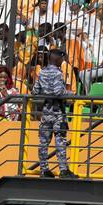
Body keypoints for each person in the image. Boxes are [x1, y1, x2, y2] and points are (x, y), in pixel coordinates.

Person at [33, 49, 77, 178]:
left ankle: (44, 169)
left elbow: (35, 91)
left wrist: (46, 93)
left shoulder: (42, 72)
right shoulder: (58, 73)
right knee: (60, 141)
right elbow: (58, 92)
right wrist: (71, 94)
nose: (63, 61)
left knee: (43, 142)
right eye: (62, 59)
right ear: (57, 58)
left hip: (46, 111)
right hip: (58, 112)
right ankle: (63, 170)